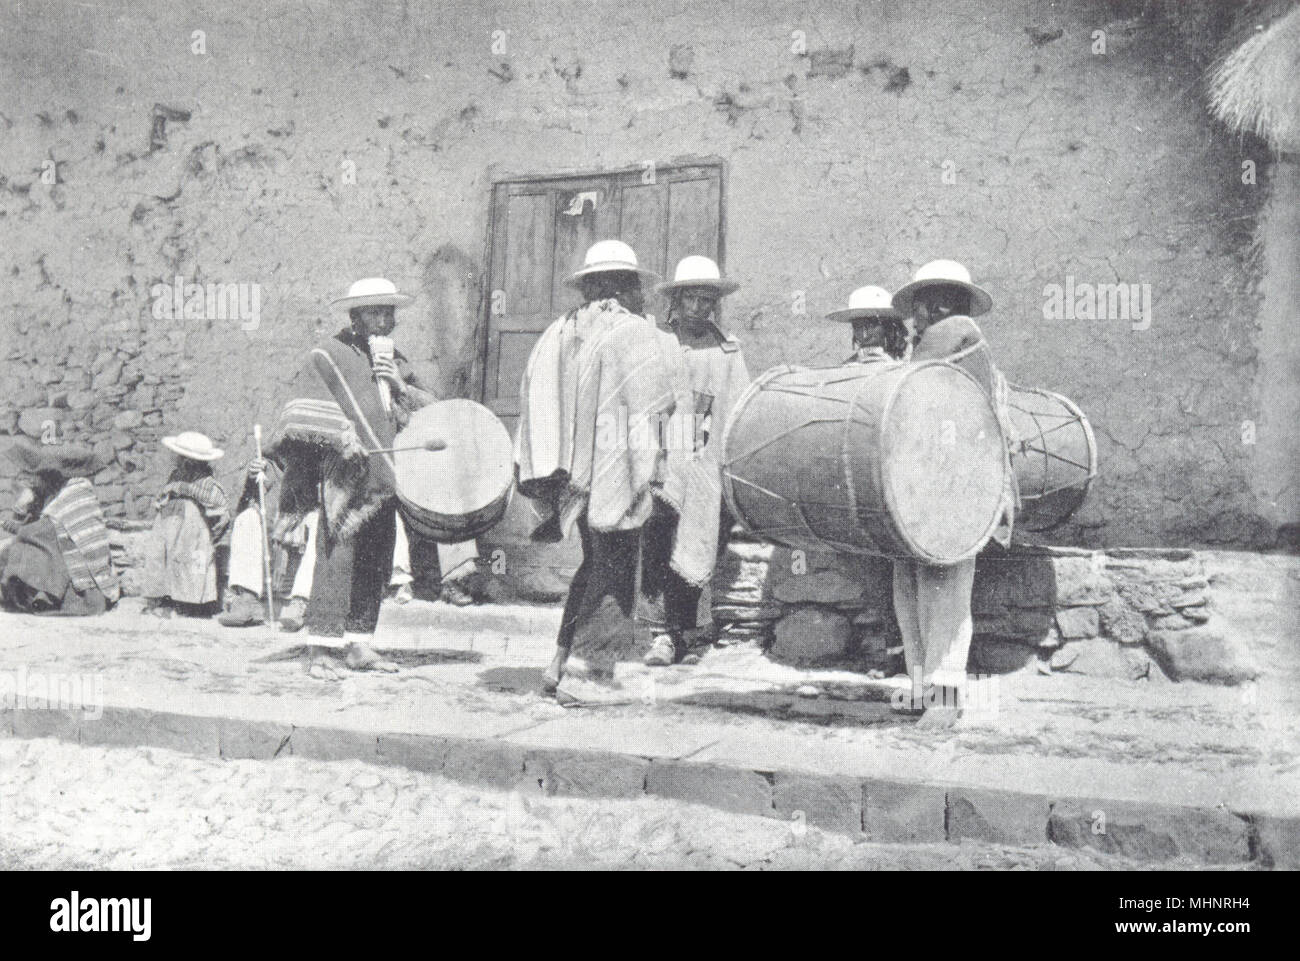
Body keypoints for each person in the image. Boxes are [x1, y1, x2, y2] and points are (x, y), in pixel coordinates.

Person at [245, 277, 463, 671]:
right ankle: (321, 647)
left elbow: (431, 412)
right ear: (355, 317)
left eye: (388, 313)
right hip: (344, 477)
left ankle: (359, 644)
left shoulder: (396, 360)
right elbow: (302, 411)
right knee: (337, 559)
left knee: (376, 560)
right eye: (374, 313)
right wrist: (343, 435)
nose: (383, 321)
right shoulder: (328, 356)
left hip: (384, 478)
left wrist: (399, 386)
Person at [514, 240, 682, 705]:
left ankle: (558, 663)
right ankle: (589, 675)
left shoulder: (561, 331)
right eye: (637, 287)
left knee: (593, 565)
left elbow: (537, 398)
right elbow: (652, 403)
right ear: (620, 288)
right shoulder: (631, 332)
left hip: (574, 474)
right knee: (616, 567)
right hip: (615, 470)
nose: (642, 297)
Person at [888, 260, 1013, 728]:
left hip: (956, 490)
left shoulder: (957, 338)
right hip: (925, 489)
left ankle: (944, 696)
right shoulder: (928, 349)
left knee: (944, 595)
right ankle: (925, 689)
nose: (916, 316)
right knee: (913, 591)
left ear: (942, 305)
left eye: (923, 306)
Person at [641, 256, 750, 668]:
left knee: (702, 541)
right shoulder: (660, 343)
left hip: (707, 465)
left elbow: (738, 409)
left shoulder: (727, 351)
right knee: (660, 541)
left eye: (707, 300)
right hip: (664, 463)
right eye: (691, 298)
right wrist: (654, 451)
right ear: (678, 299)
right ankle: (660, 633)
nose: (699, 308)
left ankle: (688, 630)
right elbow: (647, 402)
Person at [0, 438, 119, 615]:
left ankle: (41, 599)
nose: (34, 480)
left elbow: (40, 531)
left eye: (38, 475)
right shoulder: (53, 492)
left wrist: (17, 528)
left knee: (21, 549)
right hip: (57, 551)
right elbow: (35, 524)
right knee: (16, 548)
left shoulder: (74, 491)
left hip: (77, 566)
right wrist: (22, 508)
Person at [141, 431, 230, 617]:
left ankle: (190, 605)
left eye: (182, 457)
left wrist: (186, 490)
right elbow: (163, 497)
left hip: (191, 528)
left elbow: (218, 504)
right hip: (169, 524)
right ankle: (162, 600)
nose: (178, 460)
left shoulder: (207, 483)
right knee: (159, 556)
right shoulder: (175, 476)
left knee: (189, 561)